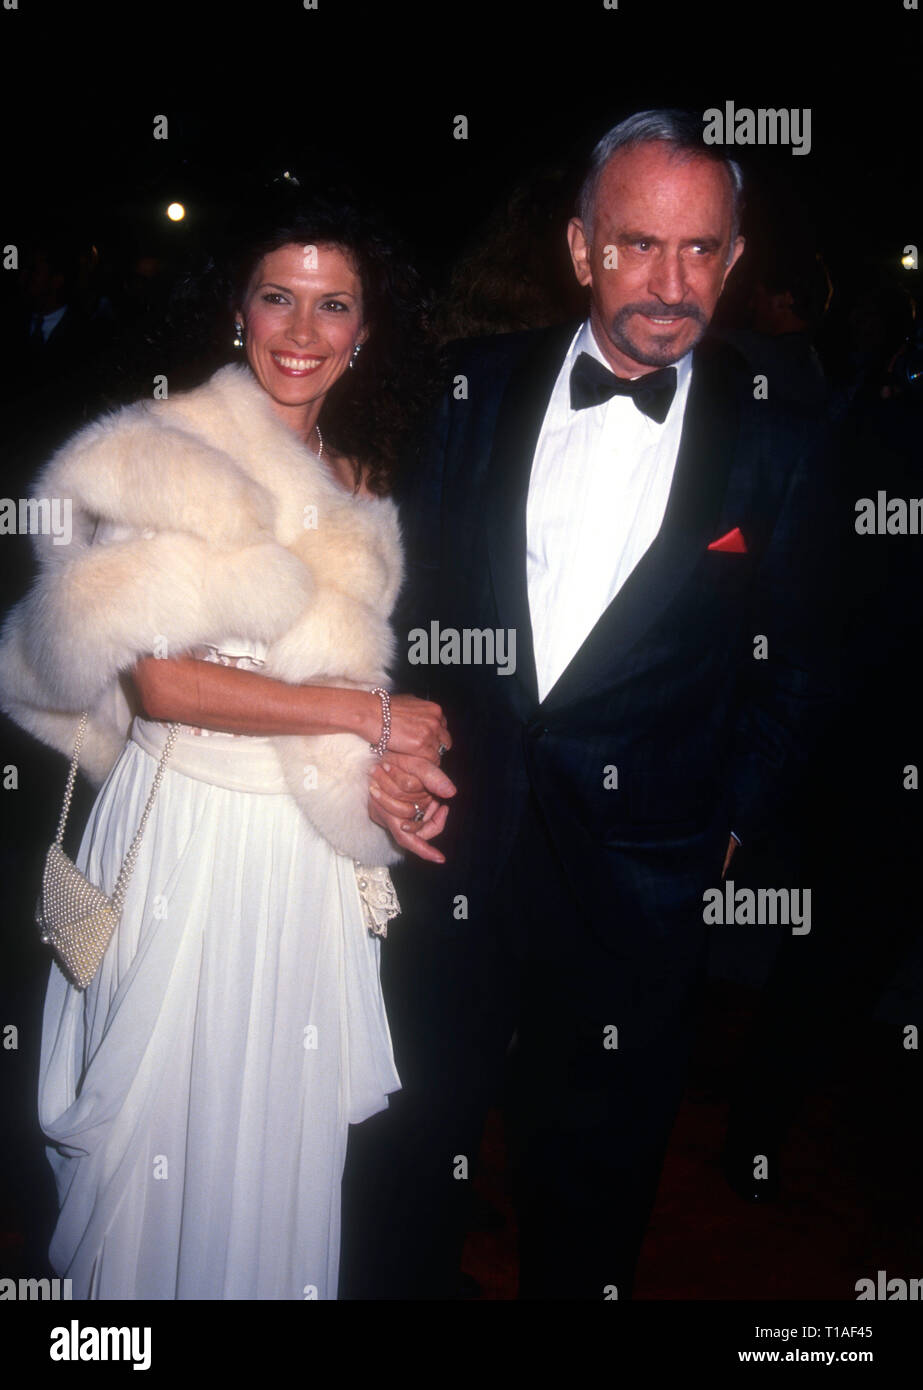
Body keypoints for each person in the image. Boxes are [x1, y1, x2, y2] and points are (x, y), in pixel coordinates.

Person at [340, 109, 840, 1300]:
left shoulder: (790, 434)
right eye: (635, 246)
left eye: (701, 250)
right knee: (398, 1167)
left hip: (638, 889)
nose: (669, 285)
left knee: (590, 1197)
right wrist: (372, 730)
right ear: (577, 249)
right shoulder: (460, 390)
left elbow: (804, 659)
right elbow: (374, 592)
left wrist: (720, 831)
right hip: (445, 850)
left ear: (732, 255)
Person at [0, 192, 453, 1300]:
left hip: (298, 855)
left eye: (331, 305)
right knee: (163, 1138)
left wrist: (388, 781)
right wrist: (368, 721)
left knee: (271, 1136)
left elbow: (336, 680)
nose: (301, 333)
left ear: (365, 330)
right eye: (277, 299)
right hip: (189, 840)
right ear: (234, 312)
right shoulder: (170, 450)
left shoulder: (360, 473)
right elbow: (160, 682)